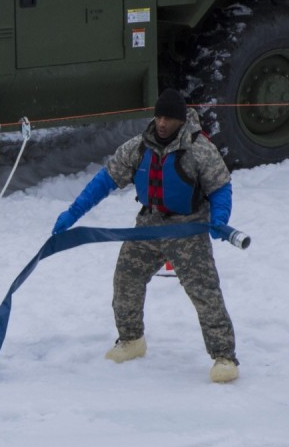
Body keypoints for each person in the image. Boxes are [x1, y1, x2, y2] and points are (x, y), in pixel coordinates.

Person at [52, 88, 239, 383]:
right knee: (126, 278)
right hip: (149, 225)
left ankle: (224, 356)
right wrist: (72, 214)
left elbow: (220, 187)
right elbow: (105, 180)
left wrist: (219, 219)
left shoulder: (199, 149)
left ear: (180, 121)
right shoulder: (139, 147)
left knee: (204, 291)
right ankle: (131, 340)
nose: (162, 123)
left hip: (187, 228)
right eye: (159, 116)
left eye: (169, 118)